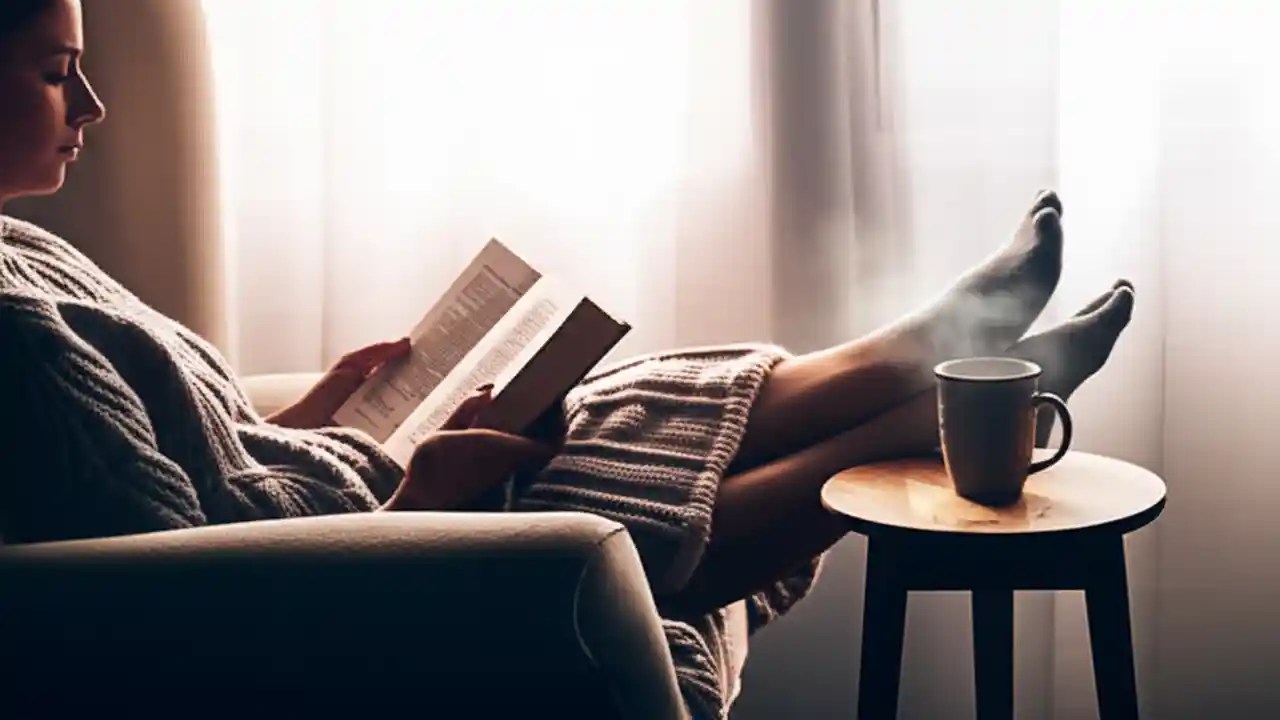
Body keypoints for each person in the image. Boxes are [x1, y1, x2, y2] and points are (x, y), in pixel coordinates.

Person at [0, 1, 1135, 716]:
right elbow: (188, 596)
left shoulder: (22, 248)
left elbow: (198, 462)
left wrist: (331, 411)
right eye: (58, 71)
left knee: (613, 405)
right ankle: (942, 398)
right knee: (604, 473)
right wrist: (421, 496)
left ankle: (935, 350)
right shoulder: (12, 333)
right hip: (354, 569)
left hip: (340, 487)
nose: (94, 105)